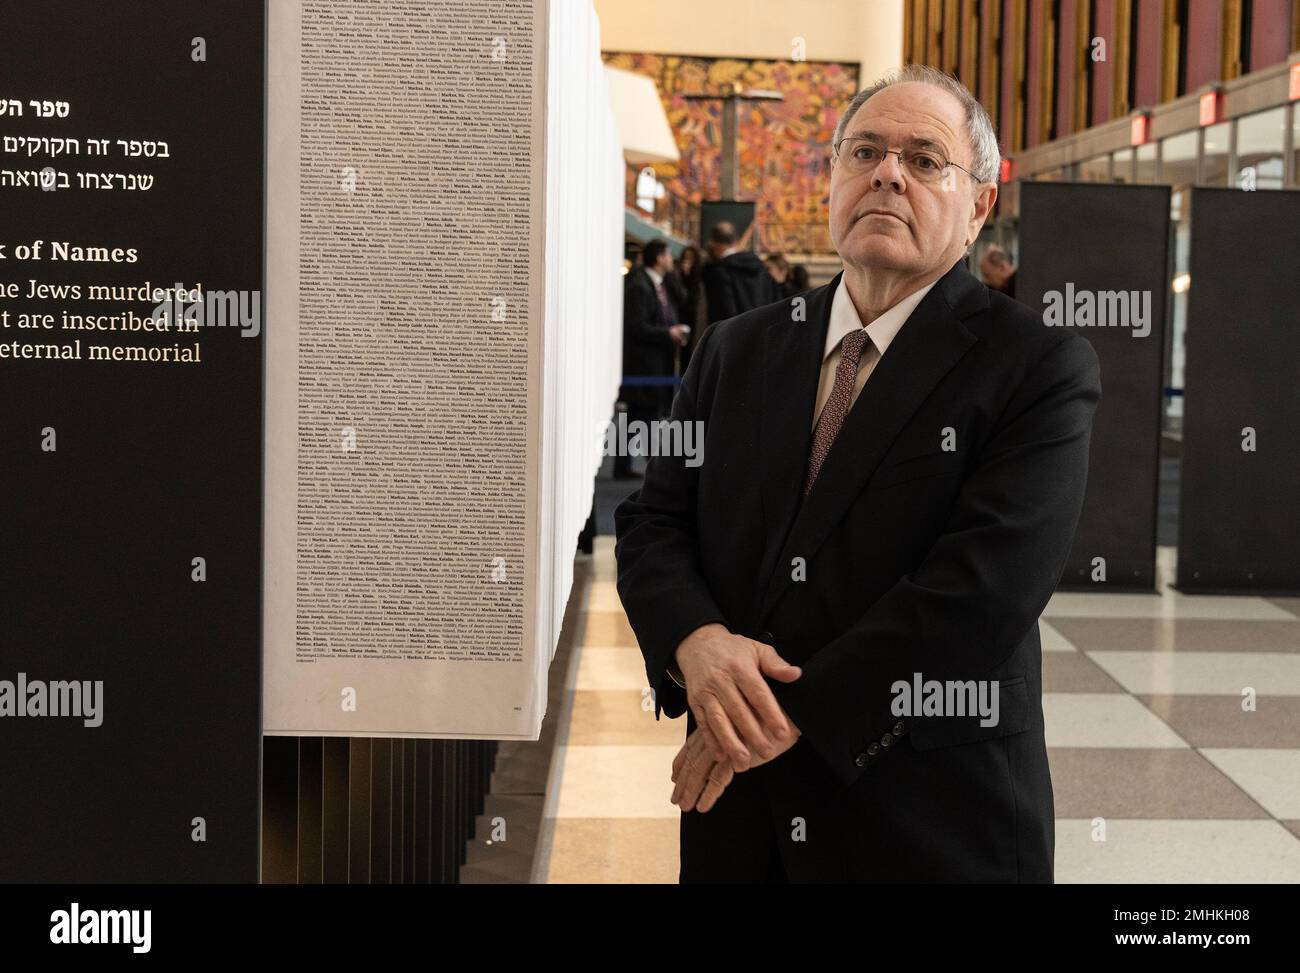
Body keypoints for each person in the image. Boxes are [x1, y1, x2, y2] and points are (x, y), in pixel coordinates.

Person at [614, 64, 1100, 882]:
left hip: (929, 810)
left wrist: (772, 712)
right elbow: (655, 523)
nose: (888, 173)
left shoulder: (1037, 366)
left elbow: (983, 590)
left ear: (979, 204)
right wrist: (693, 644)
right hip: (741, 817)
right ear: (834, 177)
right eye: (865, 150)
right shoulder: (737, 350)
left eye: (924, 158)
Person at [616, 239, 689, 478]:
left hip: (655, 362)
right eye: (669, 255)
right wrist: (668, 333)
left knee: (644, 415)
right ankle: (642, 465)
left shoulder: (658, 284)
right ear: (659, 258)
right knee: (641, 415)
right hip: (644, 363)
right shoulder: (640, 286)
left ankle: (634, 464)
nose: (672, 260)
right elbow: (636, 326)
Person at [701, 221, 780, 324]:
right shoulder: (761, 269)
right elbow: (776, 302)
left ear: (713, 243)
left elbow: (724, 313)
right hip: (762, 333)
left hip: (734, 335)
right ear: (735, 241)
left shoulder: (719, 272)